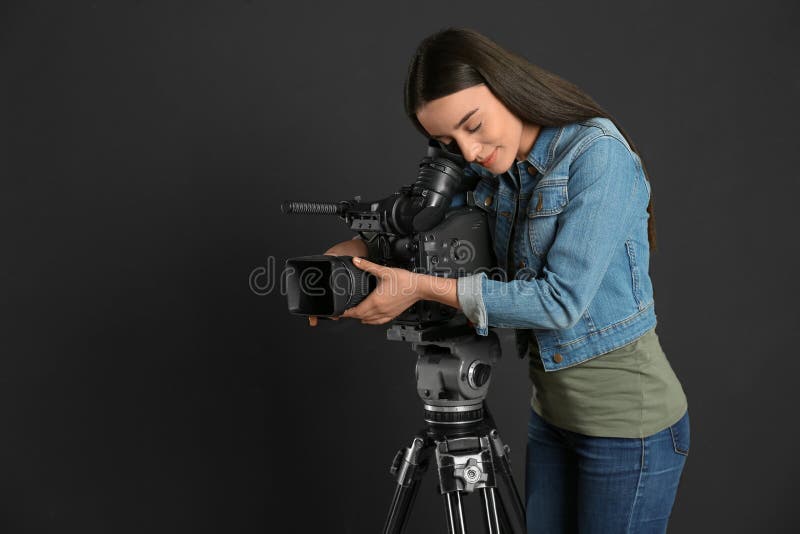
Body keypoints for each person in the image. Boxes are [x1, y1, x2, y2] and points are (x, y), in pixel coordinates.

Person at [310, 27, 690, 533]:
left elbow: (561, 302)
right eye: (448, 142)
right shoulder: (497, 170)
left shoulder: (597, 155)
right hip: (553, 418)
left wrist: (420, 288)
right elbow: (427, 231)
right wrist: (359, 254)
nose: (468, 152)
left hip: (628, 428)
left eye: (473, 125)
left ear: (507, 88)